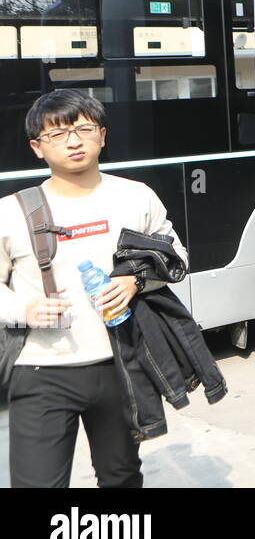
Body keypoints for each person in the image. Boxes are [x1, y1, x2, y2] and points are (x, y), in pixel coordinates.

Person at [0, 89, 188, 488]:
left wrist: (134, 280)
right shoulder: (11, 211)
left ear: (102, 135)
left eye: (84, 129)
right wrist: (23, 310)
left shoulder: (136, 196)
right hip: (40, 372)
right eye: (57, 134)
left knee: (121, 477)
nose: (73, 141)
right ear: (37, 147)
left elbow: (177, 257)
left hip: (119, 364)